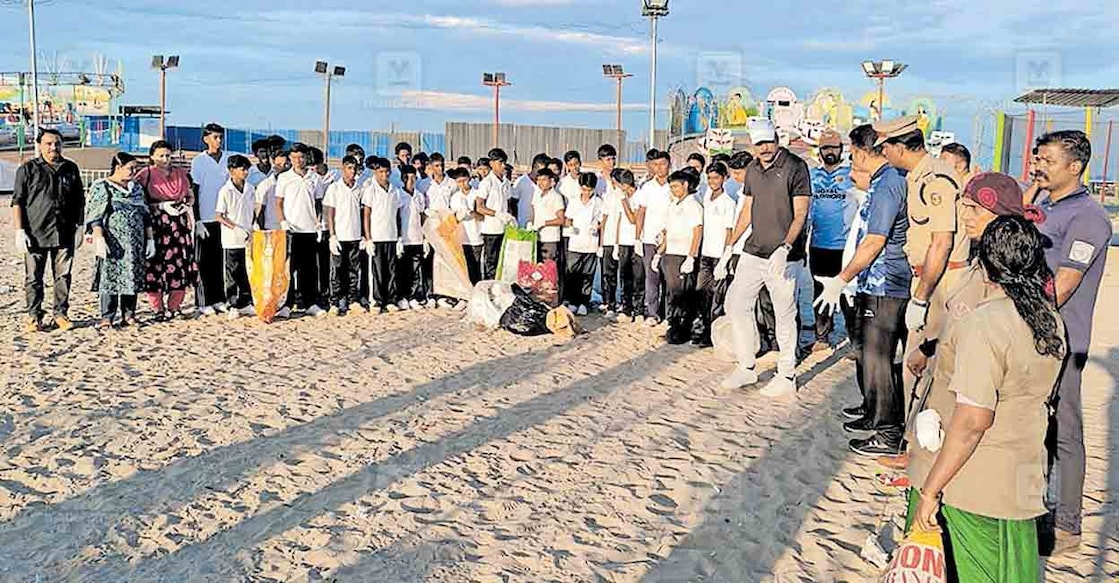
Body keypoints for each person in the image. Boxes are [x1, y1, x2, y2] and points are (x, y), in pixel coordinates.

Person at [910, 215, 1066, 583]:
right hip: (1022, 481)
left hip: (972, 487)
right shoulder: (1050, 320)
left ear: (985, 264)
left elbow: (972, 421)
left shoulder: (985, 323)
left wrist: (931, 491)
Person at [1028, 130, 1112, 553]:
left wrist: (1022, 313)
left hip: (1063, 340)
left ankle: (1068, 526)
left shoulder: (1088, 218)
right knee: (1035, 429)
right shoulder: (1046, 204)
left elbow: (1064, 283)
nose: (1038, 165)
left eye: (1046, 160)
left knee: (1064, 431)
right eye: (1037, 157)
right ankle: (1037, 509)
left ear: (1075, 167)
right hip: (1032, 335)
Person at [876, 115, 970, 466]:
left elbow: (942, 243)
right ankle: (913, 449)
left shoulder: (937, 180)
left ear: (901, 147)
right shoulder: (918, 176)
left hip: (943, 284)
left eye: (885, 146)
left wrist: (922, 296)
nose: (883, 152)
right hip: (928, 279)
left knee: (926, 368)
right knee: (915, 369)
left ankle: (921, 455)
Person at [815, 124, 912, 456]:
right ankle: (874, 415)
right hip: (874, 281)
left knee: (878, 359)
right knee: (870, 358)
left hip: (886, 282)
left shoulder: (888, 184)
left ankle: (887, 431)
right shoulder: (884, 181)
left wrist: (842, 279)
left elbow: (874, 241)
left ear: (861, 151)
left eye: (854, 152)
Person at [719, 120, 811, 398]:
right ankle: (747, 365)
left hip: (784, 256)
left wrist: (786, 247)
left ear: (776, 139)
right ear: (752, 144)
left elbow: (801, 212)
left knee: (785, 314)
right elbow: (747, 208)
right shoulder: (752, 170)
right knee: (736, 305)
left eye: (768, 142)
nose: (765, 148)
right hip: (753, 251)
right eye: (759, 144)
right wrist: (729, 245)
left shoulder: (796, 166)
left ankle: (787, 373)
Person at [11, 128, 85, 332]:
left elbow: (80, 201)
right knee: (34, 277)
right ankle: (34, 316)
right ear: (40, 145)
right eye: (49, 143)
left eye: (57, 143)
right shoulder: (27, 170)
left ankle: (60, 314)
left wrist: (80, 227)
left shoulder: (71, 168)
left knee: (63, 276)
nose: (53, 147)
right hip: (35, 232)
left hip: (65, 232)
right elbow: (17, 201)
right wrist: (20, 231)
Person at [86, 153, 154, 330]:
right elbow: (95, 215)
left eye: (135, 168)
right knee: (110, 277)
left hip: (135, 242)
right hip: (113, 241)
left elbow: (146, 215)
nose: (134, 171)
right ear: (118, 168)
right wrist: (98, 237)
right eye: (130, 168)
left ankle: (129, 314)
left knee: (131, 276)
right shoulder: (103, 186)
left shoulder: (136, 189)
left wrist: (150, 239)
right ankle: (107, 317)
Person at [136, 140, 198, 320]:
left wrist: (185, 205)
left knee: (179, 265)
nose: (165, 159)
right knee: (154, 266)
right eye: (161, 155)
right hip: (155, 226)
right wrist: (161, 206)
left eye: (168, 155)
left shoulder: (181, 174)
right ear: (152, 156)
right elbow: (139, 200)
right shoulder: (145, 174)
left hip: (179, 226)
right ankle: (157, 309)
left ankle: (174, 306)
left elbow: (190, 196)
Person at [807, 129, 856, 352]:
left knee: (847, 294)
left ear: (841, 150)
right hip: (818, 244)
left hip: (845, 247)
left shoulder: (851, 175)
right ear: (819, 151)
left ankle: (855, 341)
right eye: (825, 148)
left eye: (833, 148)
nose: (829, 152)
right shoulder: (812, 175)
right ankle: (822, 337)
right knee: (820, 291)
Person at [275, 142, 327, 318]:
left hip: (310, 230)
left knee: (310, 269)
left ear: (307, 158)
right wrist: (283, 222)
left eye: (301, 157)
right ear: (290, 158)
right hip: (291, 230)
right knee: (290, 268)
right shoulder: (284, 178)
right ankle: (287, 304)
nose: (298, 160)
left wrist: (319, 223)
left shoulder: (315, 178)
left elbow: (318, 203)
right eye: (294, 157)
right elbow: (278, 203)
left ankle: (310, 303)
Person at [189, 123, 231, 316]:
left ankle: (219, 298)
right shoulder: (199, 161)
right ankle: (203, 301)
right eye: (215, 137)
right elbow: (195, 191)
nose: (219, 141)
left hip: (225, 219)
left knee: (221, 262)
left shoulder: (229, 159)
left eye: (221, 137)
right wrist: (196, 219)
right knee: (203, 262)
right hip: (205, 217)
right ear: (206, 139)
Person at [658, 170, 704, 345]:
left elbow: (697, 231)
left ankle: (683, 328)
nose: (674, 190)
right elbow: (668, 231)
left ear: (685, 185)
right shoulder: (673, 204)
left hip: (684, 253)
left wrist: (691, 256)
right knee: (672, 292)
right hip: (671, 252)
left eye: (676, 186)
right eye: (671, 187)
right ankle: (673, 325)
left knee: (683, 293)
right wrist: (660, 251)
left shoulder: (693, 204)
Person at [695, 162, 736, 347]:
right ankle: (704, 328)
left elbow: (730, 230)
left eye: (716, 177)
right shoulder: (706, 197)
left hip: (720, 255)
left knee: (718, 296)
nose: (712, 181)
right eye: (709, 178)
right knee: (702, 292)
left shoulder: (728, 202)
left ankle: (713, 333)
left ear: (724, 178)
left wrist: (726, 256)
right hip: (706, 253)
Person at [214, 155, 257, 320]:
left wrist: (252, 227)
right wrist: (235, 228)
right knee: (232, 271)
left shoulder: (250, 189)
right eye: (242, 169)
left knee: (246, 271)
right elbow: (219, 215)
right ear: (232, 170)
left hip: (248, 236)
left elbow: (253, 210)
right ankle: (232, 303)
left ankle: (246, 302)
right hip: (231, 237)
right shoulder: (225, 190)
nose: (245, 172)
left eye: (247, 169)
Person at [324, 155, 367, 316]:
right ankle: (335, 301)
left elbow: (363, 212)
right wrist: (332, 235)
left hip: (354, 235)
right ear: (343, 169)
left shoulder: (359, 188)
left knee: (354, 270)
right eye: (349, 168)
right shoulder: (334, 188)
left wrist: (363, 234)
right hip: (340, 235)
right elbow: (330, 212)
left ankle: (352, 300)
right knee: (337, 270)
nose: (352, 171)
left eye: (354, 168)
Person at [634, 149, 672, 326]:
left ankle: (668, 314)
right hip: (649, 238)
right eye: (656, 164)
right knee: (652, 277)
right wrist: (637, 237)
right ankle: (652, 313)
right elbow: (641, 212)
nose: (659, 168)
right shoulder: (647, 187)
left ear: (669, 165)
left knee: (669, 278)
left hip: (671, 239)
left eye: (663, 164)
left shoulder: (675, 185)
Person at [362, 157, 404, 313]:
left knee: (392, 270)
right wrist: (368, 238)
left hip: (391, 236)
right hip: (377, 237)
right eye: (381, 172)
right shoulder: (370, 189)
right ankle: (377, 301)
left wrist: (399, 237)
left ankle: (391, 300)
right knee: (377, 271)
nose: (384, 175)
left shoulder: (395, 190)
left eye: (387, 172)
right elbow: (366, 214)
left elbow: (398, 215)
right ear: (375, 172)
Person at [564, 172, 602, 315]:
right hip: (575, 242)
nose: (586, 193)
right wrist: (570, 226)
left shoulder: (598, 202)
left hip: (591, 243)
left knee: (588, 274)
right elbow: (568, 219)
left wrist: (596, 227)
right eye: (584, 189)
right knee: (573, 274)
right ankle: (573, 301)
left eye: (589, 190)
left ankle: (583, 302)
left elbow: (601, 221)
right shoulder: (574, 201)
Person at [474, 148, 515, 281]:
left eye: (504, 163)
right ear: (492, 163)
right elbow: (479, 207)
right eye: (500, 162)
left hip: (504, 228)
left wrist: (510, 217)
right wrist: (497, 214)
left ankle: (499, 289)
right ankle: (489, 290)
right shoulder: (487, 182)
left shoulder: (506, 182)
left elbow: (508, 204)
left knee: (502, 261)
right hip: (491, 229)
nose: (503, 166)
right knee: (491, 262)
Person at [397, 164, 430, 310]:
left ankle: (413, 296)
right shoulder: (398, 194)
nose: (411, 180)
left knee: (416, 269)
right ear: (402, 179)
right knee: (403, 269)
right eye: (408, 177)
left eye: (413, 177)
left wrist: (425, 237)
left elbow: (422, 216)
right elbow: (396, 217)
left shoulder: (419, 196)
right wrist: (398, 237)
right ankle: (402, 296)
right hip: (403, 238)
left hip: (417, 238)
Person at [448, 166, 484, 285]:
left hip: (476, 237)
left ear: (469, 178)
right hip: (462, 238)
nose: (462, 184)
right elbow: (453, 219)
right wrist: (459, 216)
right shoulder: (455, 198)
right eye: (459, 182)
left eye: (464, 180)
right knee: (465, 269)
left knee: (477, 268)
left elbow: (482, 216)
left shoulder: (477, 194)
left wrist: (472, 212)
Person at [530, 167, 566, 270]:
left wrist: (544, 223)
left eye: (544, 180)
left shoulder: (556, 197)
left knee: (548, 269)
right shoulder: (537, 194)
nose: (541, 183)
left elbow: (561, 219)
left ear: (551, 181)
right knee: (537, 268)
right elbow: (534, 212)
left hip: (550, 239)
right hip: (537, 236)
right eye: (539, 180)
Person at [254, 149, 290, 231]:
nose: (283, 167)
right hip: (273, 228)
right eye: (279, 164)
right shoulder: (265, 185)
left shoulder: (294, 182)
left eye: (286, 164)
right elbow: (259, 209)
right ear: (273, 163)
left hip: (293, 226)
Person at [512, 153, 549, 227]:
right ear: (535, 167)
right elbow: (513, 202)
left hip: (539, 226)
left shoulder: (545, 184)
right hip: (522, 225)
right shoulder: (521, 181)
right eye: (540, 170)